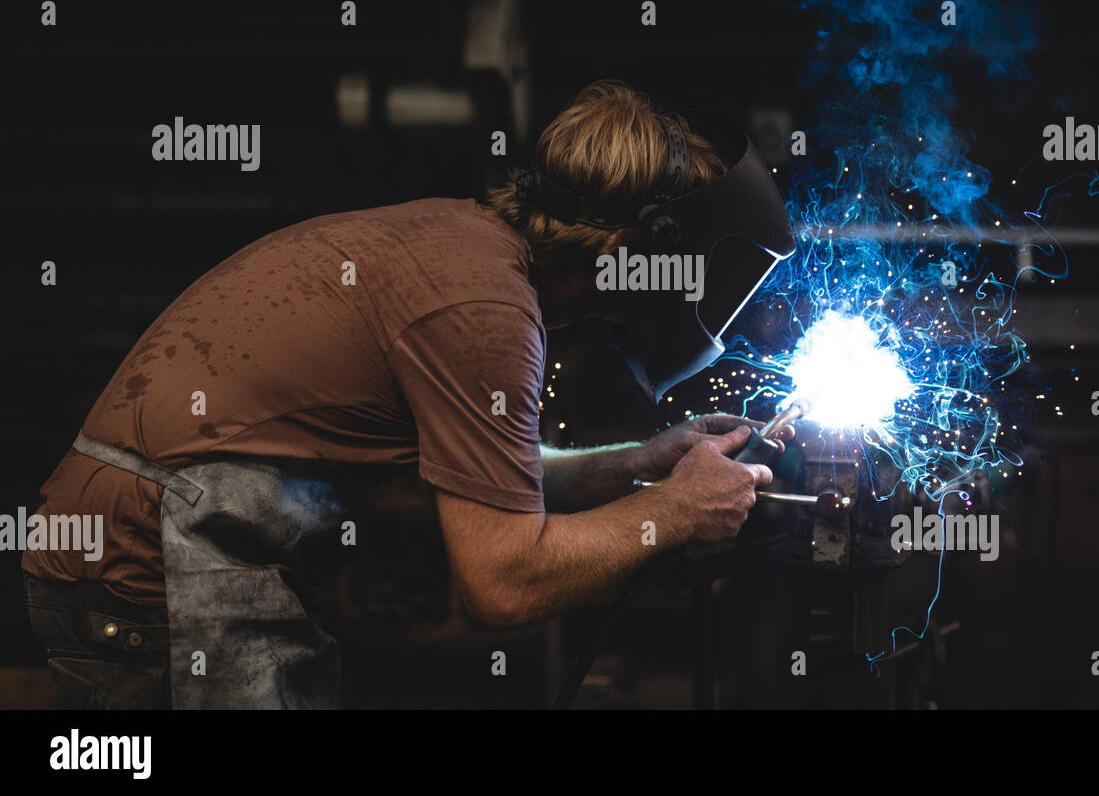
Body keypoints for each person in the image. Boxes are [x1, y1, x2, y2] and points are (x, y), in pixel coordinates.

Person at [22, 79, 795, 708]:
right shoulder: (484, 313)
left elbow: (491, 482)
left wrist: (641, 464)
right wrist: (678, 508)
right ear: (639, 252)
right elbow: (501, 582)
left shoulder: (462, 248)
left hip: (160, 542)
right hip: (151, 560)